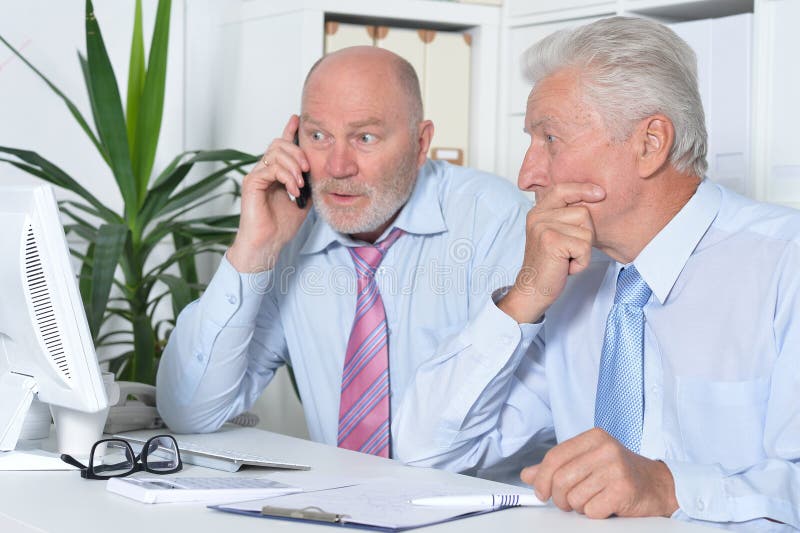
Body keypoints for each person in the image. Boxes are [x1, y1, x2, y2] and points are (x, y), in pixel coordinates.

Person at [394, 17, 800, 530]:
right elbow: (426, 452)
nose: (526, 176)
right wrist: (524, 298)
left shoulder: (787, 265)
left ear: (650, 143)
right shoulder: (568, 280)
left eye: (551, 139)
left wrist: (668, 486)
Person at [156, 46, 531, 466]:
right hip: (339, 507)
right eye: (318, 136)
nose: (337, 166)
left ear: (421, 142)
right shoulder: (293, 230)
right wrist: (253, 249)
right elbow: (188, 411)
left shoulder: (497, 222)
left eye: (364, 138)